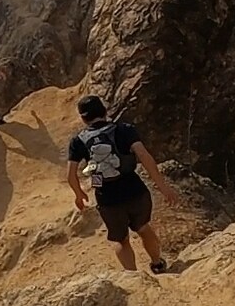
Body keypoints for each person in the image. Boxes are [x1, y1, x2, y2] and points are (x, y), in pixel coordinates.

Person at [66, 94, 181, 273]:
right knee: (143, 228)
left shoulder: (78, 141)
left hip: (107, 198)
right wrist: (163, 186)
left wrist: (79, 194)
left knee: (121, 240)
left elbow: (71, 174)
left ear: (83, 118)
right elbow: (144, 156)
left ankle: (133, 277)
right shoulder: (124, 129)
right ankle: (157, 264)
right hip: (135, 190)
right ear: (104, 111)